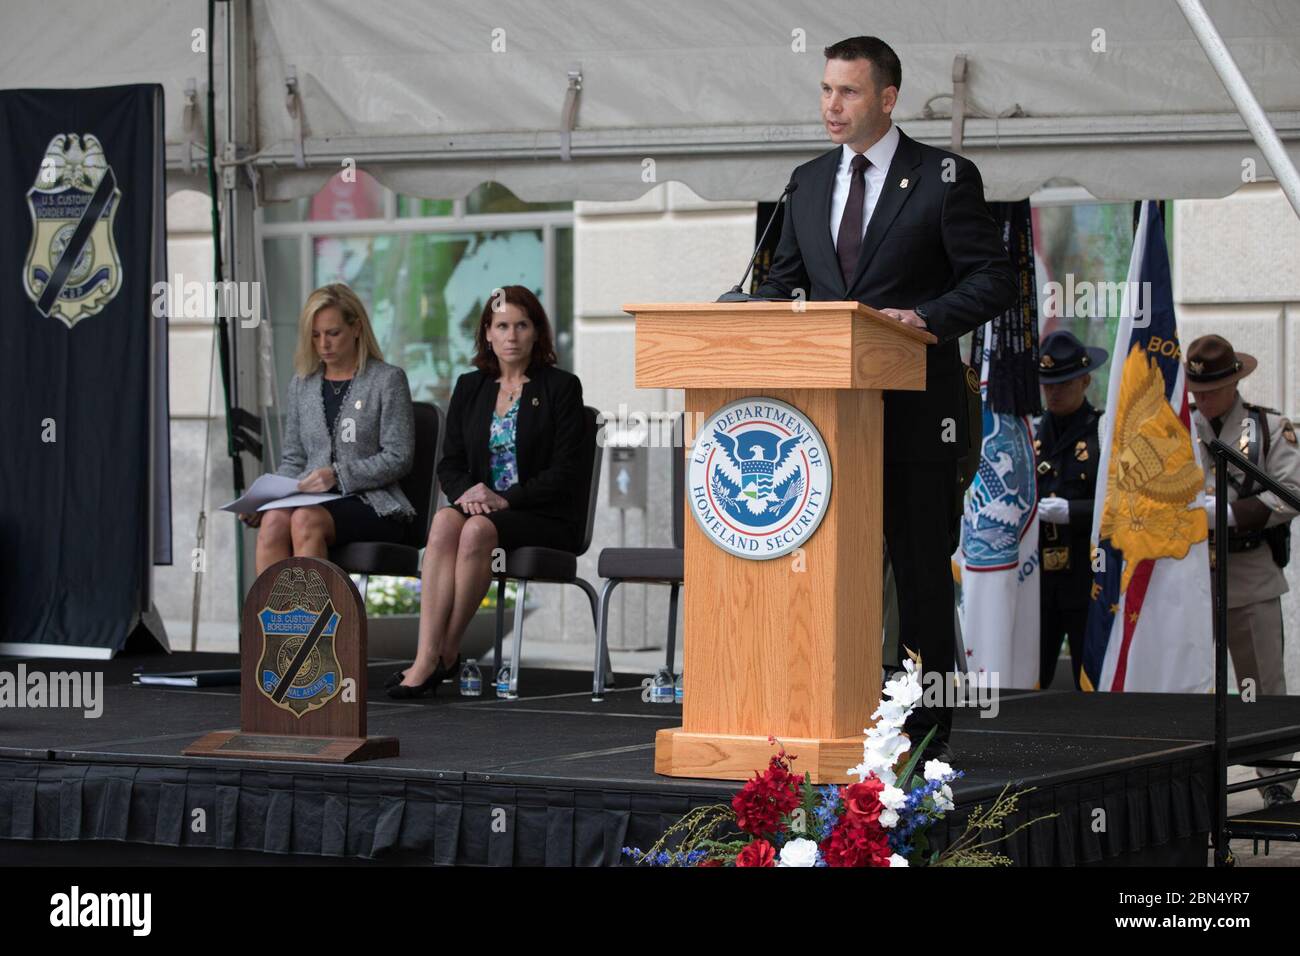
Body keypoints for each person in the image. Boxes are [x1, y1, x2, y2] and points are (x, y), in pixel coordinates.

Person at [755, 36, 1017, 760]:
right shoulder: (807, 182)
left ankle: (925, 740)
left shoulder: (943, 176)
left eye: (848, 92)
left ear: (888, 99)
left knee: (920, 569)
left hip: (913, 410)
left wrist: (925, 318)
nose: (830, 106)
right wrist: (750, 317)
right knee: (824, 567)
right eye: (825, 90)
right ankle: (830, 716)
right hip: (824, 418)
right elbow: (782, 288)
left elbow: (994, 280)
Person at [387, 285, 587, 698]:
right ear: (488, 334)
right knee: (445, 520)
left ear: (536, 333)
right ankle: (427, 656)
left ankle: (447, 648)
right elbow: (450, 463)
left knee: (478, 531)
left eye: (521, 325)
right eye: (502, 326)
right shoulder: (470, 387)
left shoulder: (561, 387)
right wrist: (469, 494)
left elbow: (566, 473)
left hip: (542, 515)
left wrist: (505, 499)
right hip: (483, 509)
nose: (511, 336)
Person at [1187, 334, 1300, 807]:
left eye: (1210, 391)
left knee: (1261, 684)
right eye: (1195, 390)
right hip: (1190, 576)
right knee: (1189, 684)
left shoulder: (1269, 427)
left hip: (1248, 571)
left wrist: (1231, 514)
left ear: (1233, 383)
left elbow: (1291, 492)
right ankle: (1189, 780)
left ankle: (1274, 778)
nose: (1201, 400)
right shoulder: (1177, 427)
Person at [241, 283, 416, 574]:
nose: (323, 344)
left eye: (333, 333)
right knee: (272, 521)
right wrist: (264, 499)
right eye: (315, 335)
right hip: (312, 500)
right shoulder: (302, 384)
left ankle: (315, 620)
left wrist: (337, 475)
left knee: (304, 520)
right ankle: (273, 620)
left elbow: (399, 456)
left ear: (357, 328)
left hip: (374, 504)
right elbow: (294, 459)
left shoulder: (387, 380)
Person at [1033, 330, 1106, 690]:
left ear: (1085, 380)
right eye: (1048, 384)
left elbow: (1118, 507)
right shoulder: (1030, 433)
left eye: (1063, 383)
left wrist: (1074, 511)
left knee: (1088, 676)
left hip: (1085, 577)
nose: (1054, 392)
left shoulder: (1102, 434)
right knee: (1031, 679)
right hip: (1037, 580)